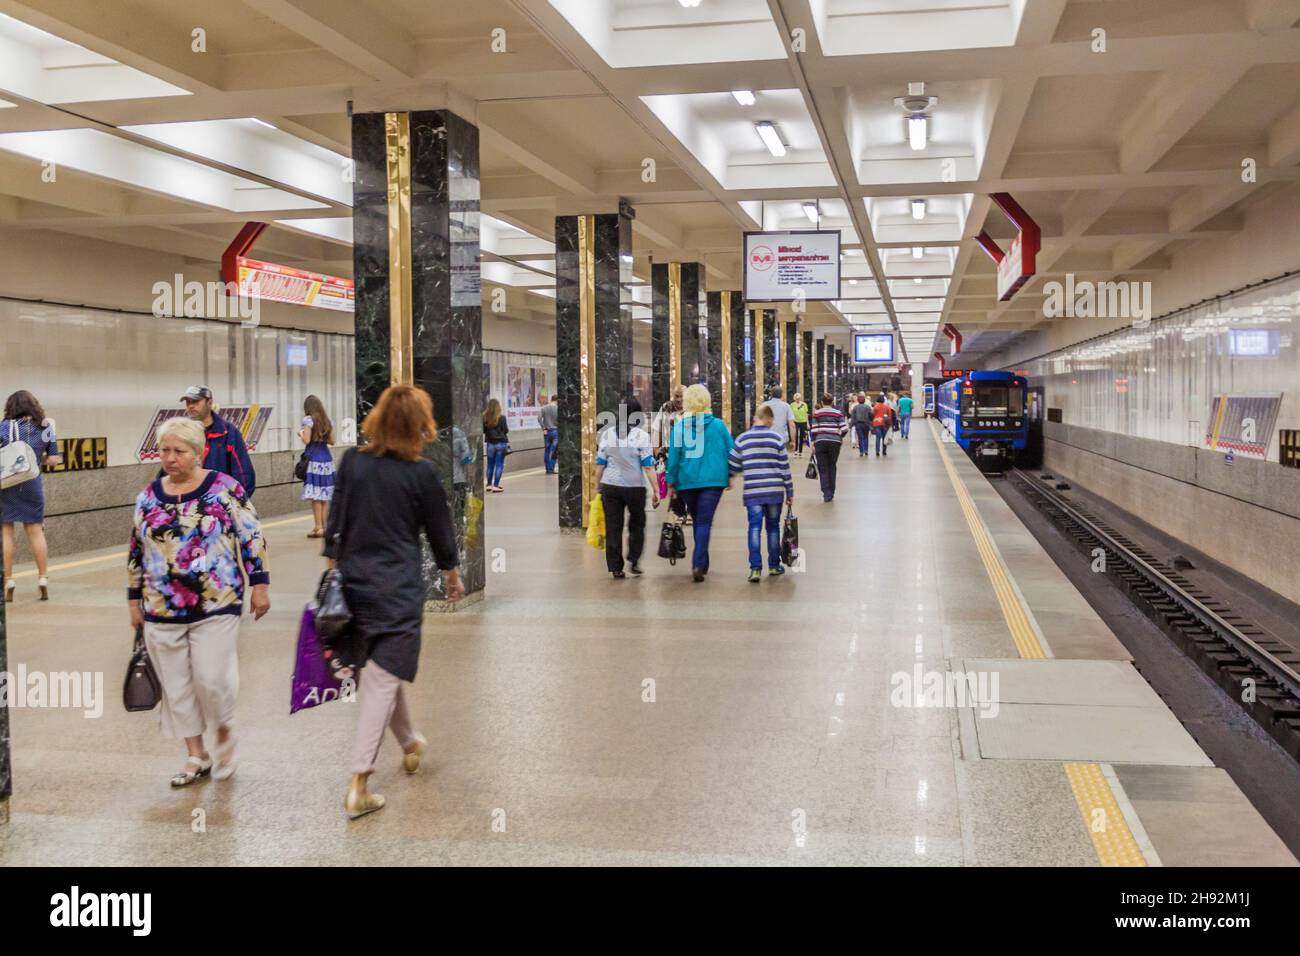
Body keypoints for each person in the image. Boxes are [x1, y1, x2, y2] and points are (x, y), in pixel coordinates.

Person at [323, 384, 464, 819]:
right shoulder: (421, 474)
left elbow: (335, 520)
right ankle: (359, 782)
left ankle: (410, 742)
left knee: (382, 671)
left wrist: (331, 570)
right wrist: (452, 573)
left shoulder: (353, 463)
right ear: (419, 425)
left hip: (353, 586)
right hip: (398, 590)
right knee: (381, 679)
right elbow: (440, 531)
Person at [127, 416, 269, 786]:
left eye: (179, 451)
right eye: (165, 450)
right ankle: (196, 754)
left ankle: (223, 734)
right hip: (160, 607)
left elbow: (251, 536)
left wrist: (260, 583)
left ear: (199, 452)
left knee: (212, 678)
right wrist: (133, 599)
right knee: (177, 687)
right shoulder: (147, 497)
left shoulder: (225, 489)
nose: (170, 458)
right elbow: (136, 550)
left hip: (216, 601)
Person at [665, 384, 734, 583]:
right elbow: (732, 452)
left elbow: (674, 456)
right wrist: (730, 473)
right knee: (703, 521)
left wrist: (671, 481)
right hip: (713, 481)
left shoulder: (679, 427)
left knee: (698, 519)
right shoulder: (719, 426)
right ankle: (699, 563)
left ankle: (702, 562)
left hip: (687, 481)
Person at [1, 390, 61, 602]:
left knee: (5, 532)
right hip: (32, 483)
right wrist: (36, 460)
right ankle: (43, 578)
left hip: (7, 484)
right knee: (35, 531)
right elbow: (54, 460)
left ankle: (8, 580)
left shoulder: (3, 426)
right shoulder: (45, 427)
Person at [729, 404, 794, 583]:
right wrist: (790, 492)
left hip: (753, 492)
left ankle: (755, 569)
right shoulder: (777, 439)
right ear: (769, 420)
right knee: (773, 528)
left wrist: (729, 478)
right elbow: (785, 469)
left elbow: (733, 464)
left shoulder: (742, 439)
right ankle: (773, 565)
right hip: (774, 491)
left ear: (755, 419)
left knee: (754, 528)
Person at [595, 398, 660, 579]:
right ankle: (634, 559)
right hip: (634, 487)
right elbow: (648, 466)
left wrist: (596, 487)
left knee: (613, 526)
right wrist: (656, 490)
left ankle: (616, 567)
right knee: (637, 524)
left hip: (611, 486)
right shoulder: (641, 436)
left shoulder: (607, 434)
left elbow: (600, 464)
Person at [181, 385, 256, 497]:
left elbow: (244, 476)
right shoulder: (181, 433)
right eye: (188, 402)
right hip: (187, 504)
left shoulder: (228, 433)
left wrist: (231, 504)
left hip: (218, 505)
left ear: (209, 403)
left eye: (195, 402)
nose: (190, 406)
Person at [299, 395, 335, 539]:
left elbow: (307, 440)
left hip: (313, 460)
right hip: (326, 459)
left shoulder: (308, 421)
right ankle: (324, 526)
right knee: (324, 495)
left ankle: (318, 527)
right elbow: (332, 441)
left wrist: (301, 434)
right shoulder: (327, 421)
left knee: (315, 496)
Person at [809, 392, 848, 502]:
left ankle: (826, 493)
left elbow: (814, 430)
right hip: (834, 442)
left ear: (821, 402)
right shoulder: (838, 413)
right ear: (832, 402)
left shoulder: (817, 413)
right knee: (832, 465)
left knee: (823, 468)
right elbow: (844, 429)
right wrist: (839, 437)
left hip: (820, 441)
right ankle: (832, 490)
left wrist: (813, 443)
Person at [652, 384, 685, 460]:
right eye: (677, 396)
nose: (679, 399)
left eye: (681, 396)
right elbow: (657, 430)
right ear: (673, 396)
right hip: (667, 456)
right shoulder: (666, 407)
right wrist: (656, 451)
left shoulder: (692, 409)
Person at [483, 397, 509, 492]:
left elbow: (483, 431)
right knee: (499, 465)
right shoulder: (502, 418)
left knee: (490, 465)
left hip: (490, 444)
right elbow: (506, 430)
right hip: (501, 443)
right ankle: (496, 485)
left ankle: (489, 484)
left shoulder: (485, 418)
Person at [764, 385, 796, 452]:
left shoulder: (764, 405)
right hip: (782, 439)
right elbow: (792, 425)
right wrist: (793, 441)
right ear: (782, 395)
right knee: (781, 461)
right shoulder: (786, 406)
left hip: (767, 439)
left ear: (771, 394)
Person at [539, 394, 559, 475]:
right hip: (555, 432)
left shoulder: (544, 408)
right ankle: (551, 469)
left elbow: (539, 419)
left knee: (547, 450)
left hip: (547, 432)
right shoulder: (558, 409)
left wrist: (544, 428)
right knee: (553, 451)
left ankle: (547, 469)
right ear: (557, 400)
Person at [850, 391, 873, 458]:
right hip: (866, 423)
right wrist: (871, 422)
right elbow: (871, 415)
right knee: (866, 437)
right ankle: (866, 450)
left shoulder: (855, 408)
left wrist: (851, 425)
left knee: (860, 438)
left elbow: (853, 417)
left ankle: (861, 451)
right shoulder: (868, 407)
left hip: (858, 424)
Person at [790, 393, 809, 457]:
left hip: (803, 421)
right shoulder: (792, 405)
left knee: (801, 436)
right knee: (795, 436)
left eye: (798, 398)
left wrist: (807, 423)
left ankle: (800, 451)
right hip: (795, 421)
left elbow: (806, 414)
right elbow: (790, 414)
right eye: (796, 398)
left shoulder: (804, 404)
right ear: (794, 398)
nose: (797, 400)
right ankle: (795, 450)